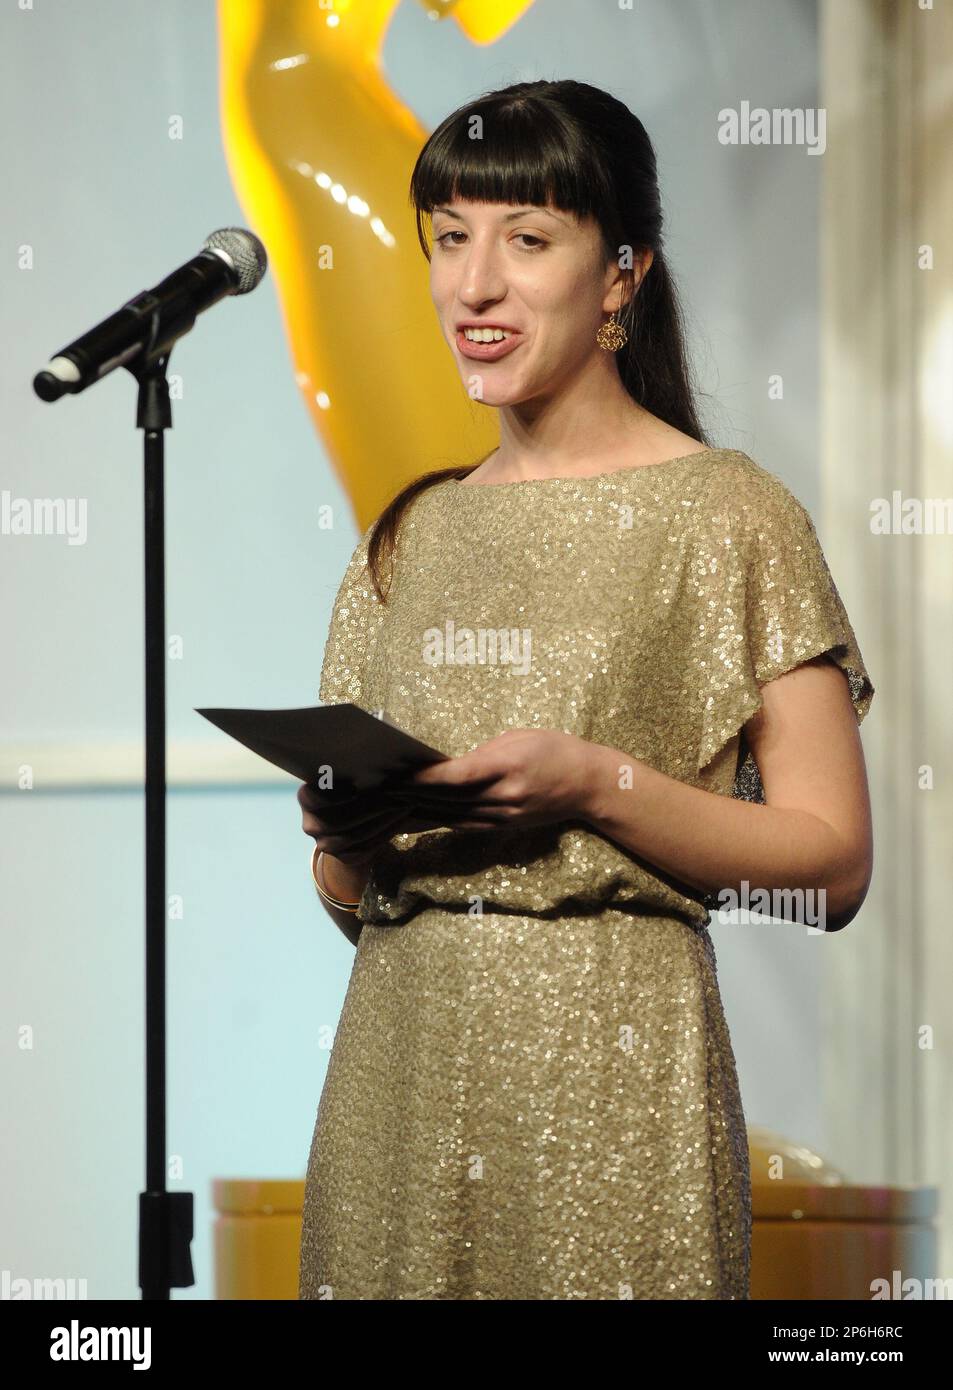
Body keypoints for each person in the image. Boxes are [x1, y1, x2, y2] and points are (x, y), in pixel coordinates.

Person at [296, 79, 875, 1301]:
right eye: (448, 239)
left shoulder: (728, 513)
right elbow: (349, 896)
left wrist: (594, 787)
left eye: (525, 238)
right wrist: (343, 834)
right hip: (394, 1073)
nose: (474, 284)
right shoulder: (409, 534)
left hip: (613, 1077)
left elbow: (828, 869)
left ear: (620, 275)